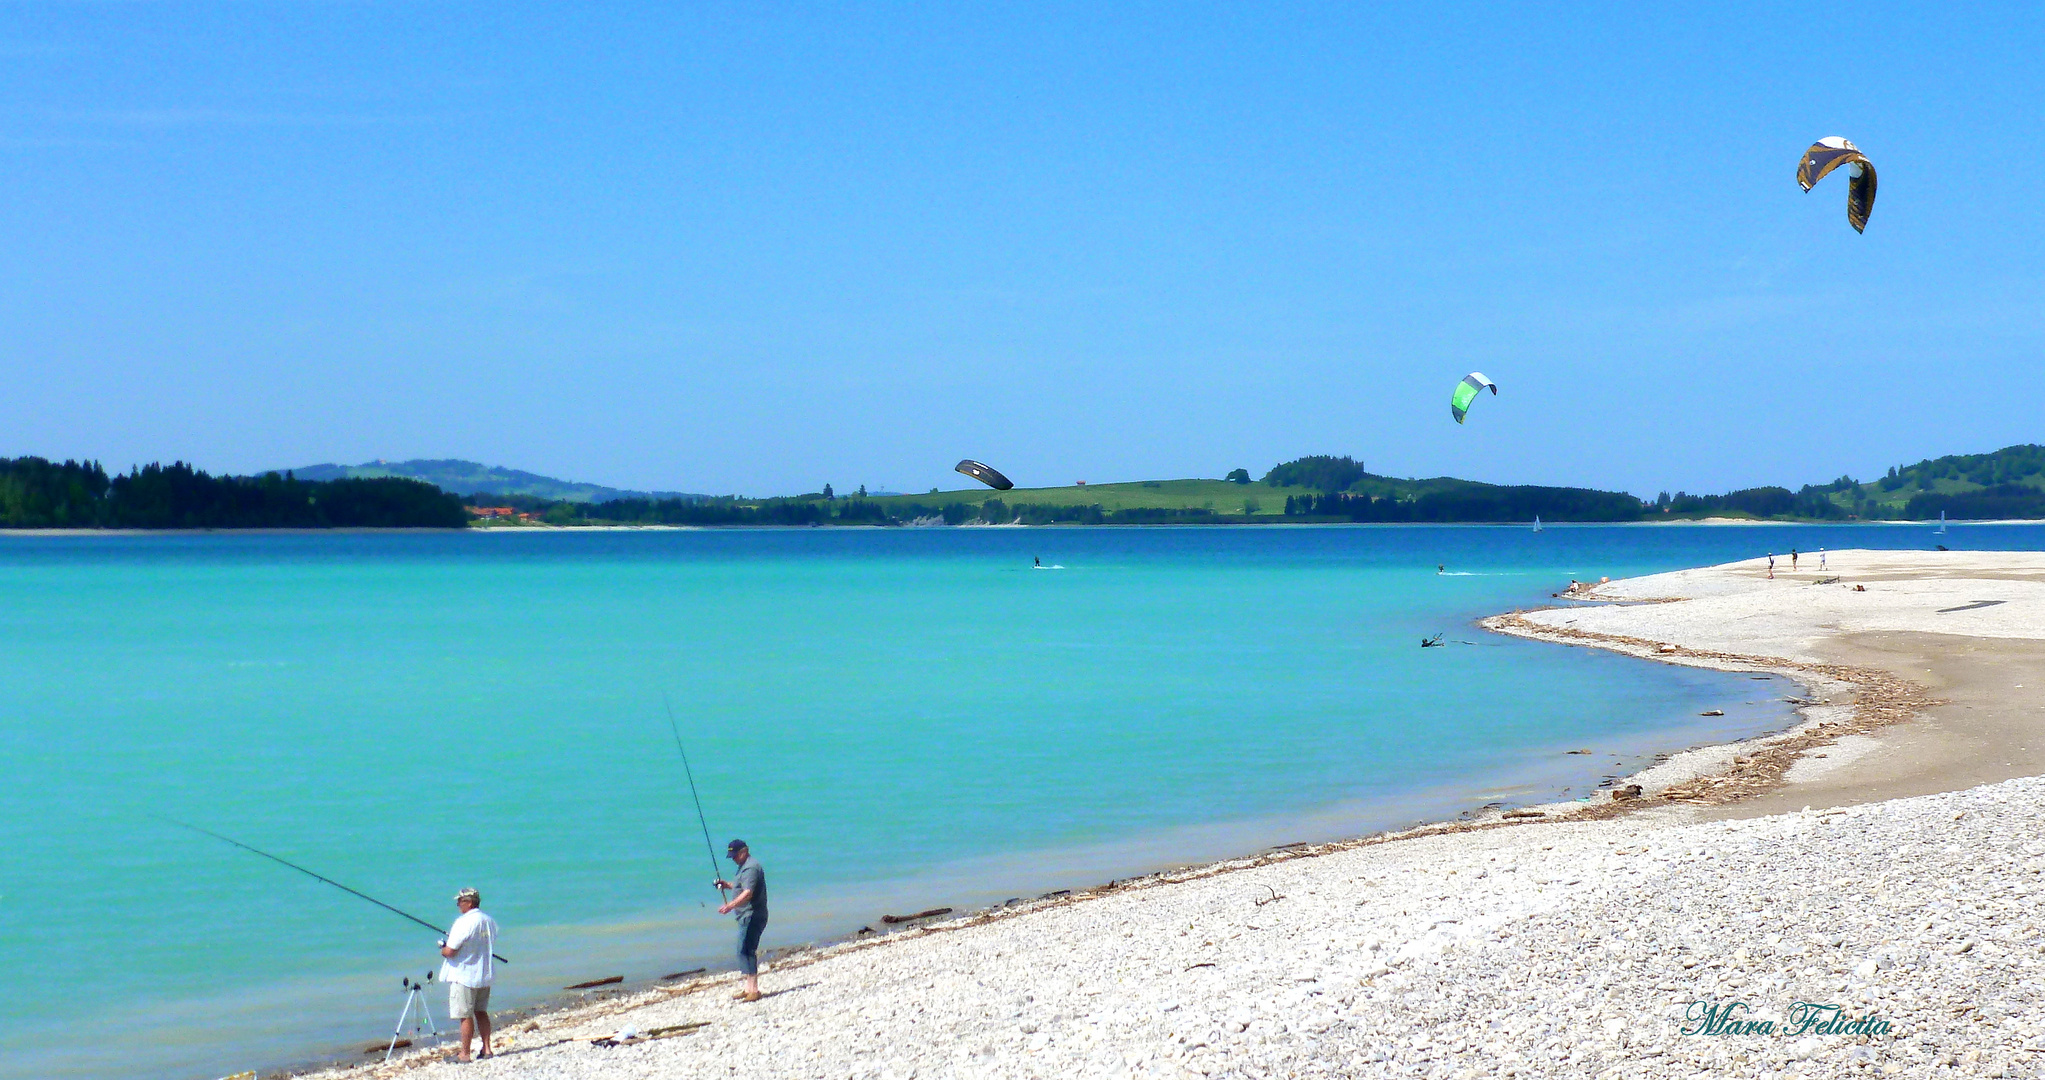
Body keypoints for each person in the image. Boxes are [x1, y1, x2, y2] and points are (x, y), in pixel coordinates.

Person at [438, 888, 498, 1062]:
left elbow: (450, 951)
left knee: (465, 1015)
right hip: (484, 974)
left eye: (460, 901)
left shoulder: (463, 922)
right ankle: (487, 1050)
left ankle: (464, 1054)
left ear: (469, 902)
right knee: (481, 1012)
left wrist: (443, 948)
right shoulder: (489, 921)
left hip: (464, 976)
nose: (458, 905)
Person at [714, 839, 768, 1003]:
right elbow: (740, 887)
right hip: (745, 915)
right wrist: (727, 885)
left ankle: (754, 990)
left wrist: (730, 905)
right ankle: (748, 988)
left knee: (746, 950)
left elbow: (748, 893)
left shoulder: (751, 867)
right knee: (742, 950)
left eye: (735, 855)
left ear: (744, 851)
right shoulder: (743, 867)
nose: (734, 859)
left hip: (753, 914)